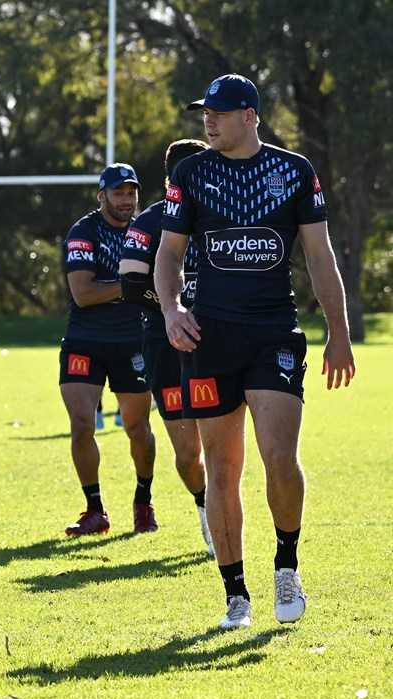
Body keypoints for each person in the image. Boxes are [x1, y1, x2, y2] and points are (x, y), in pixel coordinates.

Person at [154, 74, 356, 630]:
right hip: (209, 338)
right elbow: (168, 255)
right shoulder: (190, 173)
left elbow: (319, 256)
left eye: (219, 113)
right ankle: (236, 595)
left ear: (250, 116)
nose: (209, 121)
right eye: (205, 113)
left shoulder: (295, 171)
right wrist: (172, 310)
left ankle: (286, 566)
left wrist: (338, 332)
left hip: (273, 333)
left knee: (279, 457)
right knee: (222, 468)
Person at [119, 138, 214, 557]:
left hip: (218, 341)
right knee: (189, 454)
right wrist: (174, 312)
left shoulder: (223, 214)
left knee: (224, 443)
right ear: (174, 176)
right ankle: (205, 507)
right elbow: (130, 284)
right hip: (165, 343)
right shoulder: (150, 222)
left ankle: (225, 517)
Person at [59, 163, 158, 536]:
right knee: (82, 426)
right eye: (118, 193)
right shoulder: (84, 232)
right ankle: (95, 509)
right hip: (85, 341)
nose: (126, 200)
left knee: (137, 427)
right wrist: (132, 283)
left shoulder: (146, 230)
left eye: (131, 193)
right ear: (102, 196)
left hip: (133, 341)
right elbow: (83, 294)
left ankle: (143, 502)